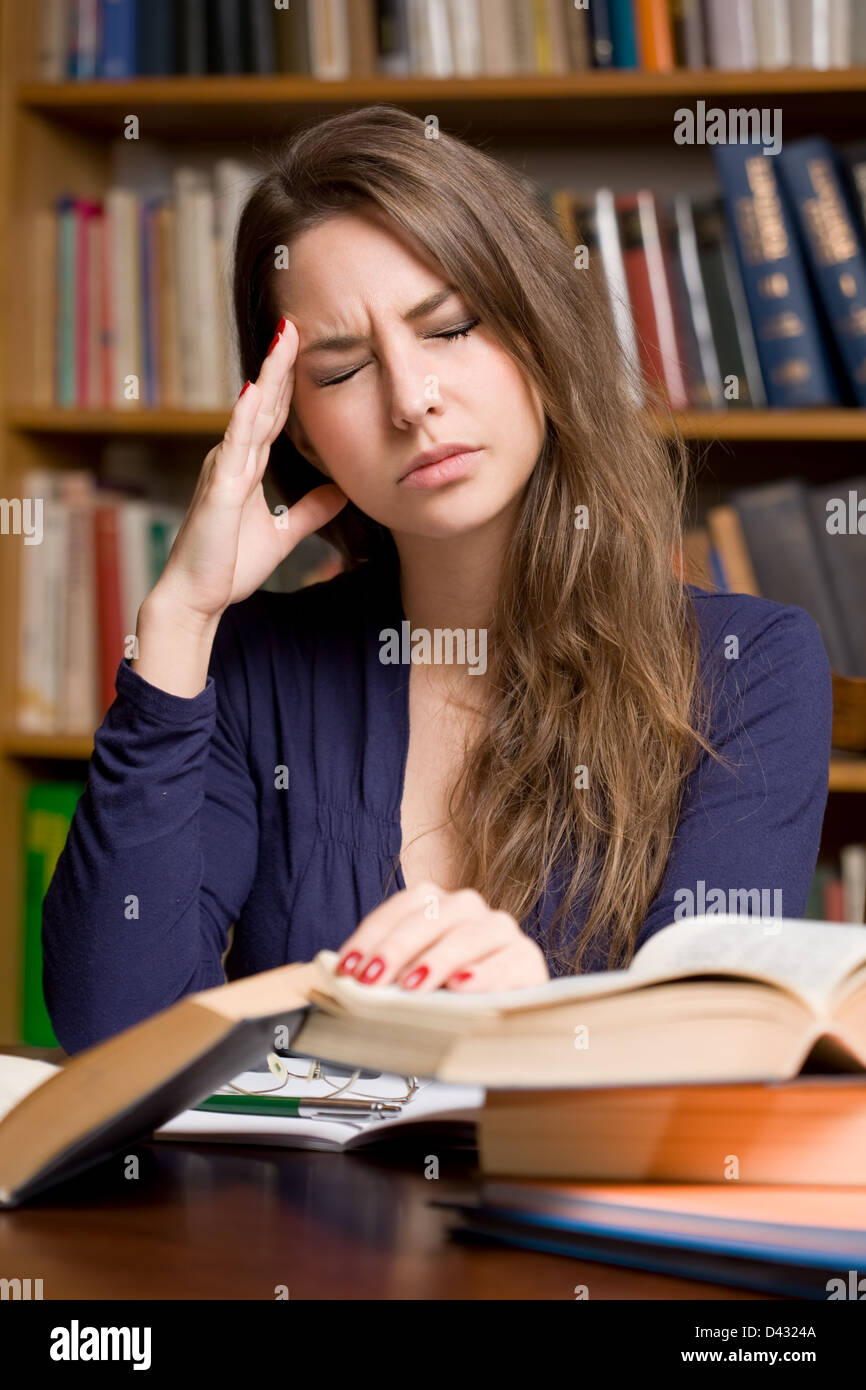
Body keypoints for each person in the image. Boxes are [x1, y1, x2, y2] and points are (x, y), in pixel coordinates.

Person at [42, 106, 832, 1056]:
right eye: (342, 371)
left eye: (450, 327)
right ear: (297, 430)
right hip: (296, 1208)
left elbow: (718, 1053)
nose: (413, 399)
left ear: (539, 336)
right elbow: (111, 1034)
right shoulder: (252, 673)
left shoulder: (750, 668)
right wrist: (178, 620)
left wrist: (537, 1017)